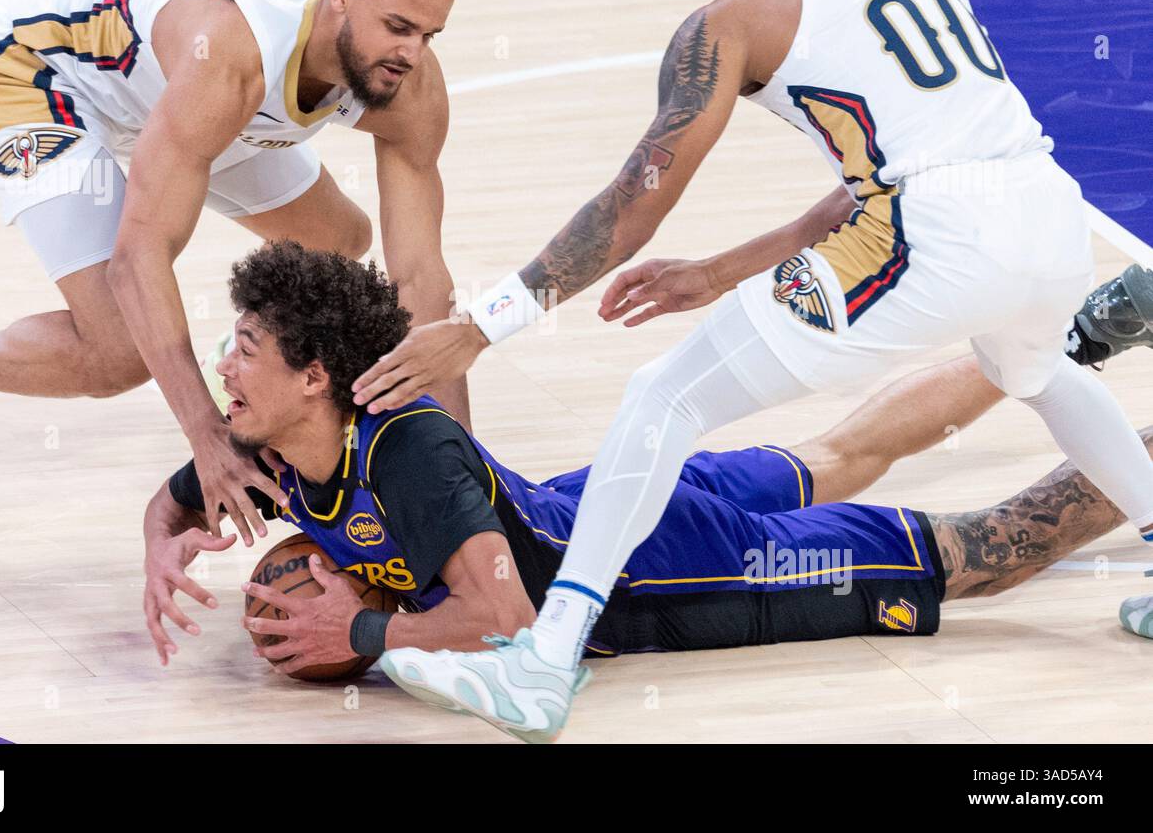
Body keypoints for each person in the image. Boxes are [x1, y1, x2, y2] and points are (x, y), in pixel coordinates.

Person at [347, 0, 1153, 738]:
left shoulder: (735, 18)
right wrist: (724, 269)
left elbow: (632, 205)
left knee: (666, 397)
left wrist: (478, 327)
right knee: (1034, 369)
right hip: (1049, 216)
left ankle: (544, 662)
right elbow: (896, 164)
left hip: (932, 237)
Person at [139, 242, 1153, 744]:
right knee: (834, 454)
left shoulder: (406, 453)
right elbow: (173, 502)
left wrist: (362, 637)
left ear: (315, 376)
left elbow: (509, 615)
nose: (224, 367)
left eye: (246, 348)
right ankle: (1070, 338)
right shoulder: (262, 445)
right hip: (610, 492)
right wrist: (162, 544)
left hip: (659, 572)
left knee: (974, 552)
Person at [0, 0, 470, 543]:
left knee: (336, 241)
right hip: (40, 68)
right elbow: (139, 256)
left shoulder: (408, 82)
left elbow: (422, 281)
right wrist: (209, 436)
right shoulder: (234, 55)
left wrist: (461, 478)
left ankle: (243, 371)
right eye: (397, 26)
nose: (412, 54)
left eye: (429, 35)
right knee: (118, 353)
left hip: (169, 83)